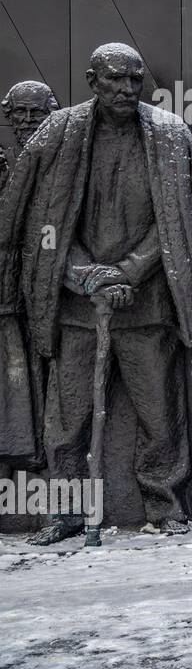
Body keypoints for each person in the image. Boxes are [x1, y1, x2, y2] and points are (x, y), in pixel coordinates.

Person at [0, 43, 192, 545]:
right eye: (116, 79)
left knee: (160, 414)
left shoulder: (169, 134)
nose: (127, 89)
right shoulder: (58, 133)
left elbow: (187, 219)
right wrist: (84, 276)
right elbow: (40, 221)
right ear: (92, 80)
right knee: (68, 422)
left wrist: (129, 272)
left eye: (135, 79)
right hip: (78, 309)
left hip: (147, 304)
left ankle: (164, 505)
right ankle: (65, 511)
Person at [0, 80, 58, 477]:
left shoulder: (61, 162)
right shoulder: (4, 164)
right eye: (19, 113)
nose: (26, 121)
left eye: (35, 113)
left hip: (51, 289)